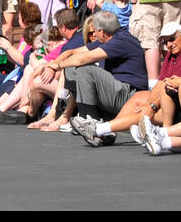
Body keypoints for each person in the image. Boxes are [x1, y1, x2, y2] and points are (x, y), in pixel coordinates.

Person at [50, 9, 149, 145]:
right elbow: (72, 52)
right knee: (71, 68)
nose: (94, 35)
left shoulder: (122, 40)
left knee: (86, 69)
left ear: (102, 31)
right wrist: (53, 64)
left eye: (95, 31)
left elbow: (82, 59)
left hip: (129, 94)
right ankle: (86, 117)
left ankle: (90, 120)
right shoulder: (109, 38)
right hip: (116, 91)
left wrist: (58, 66)